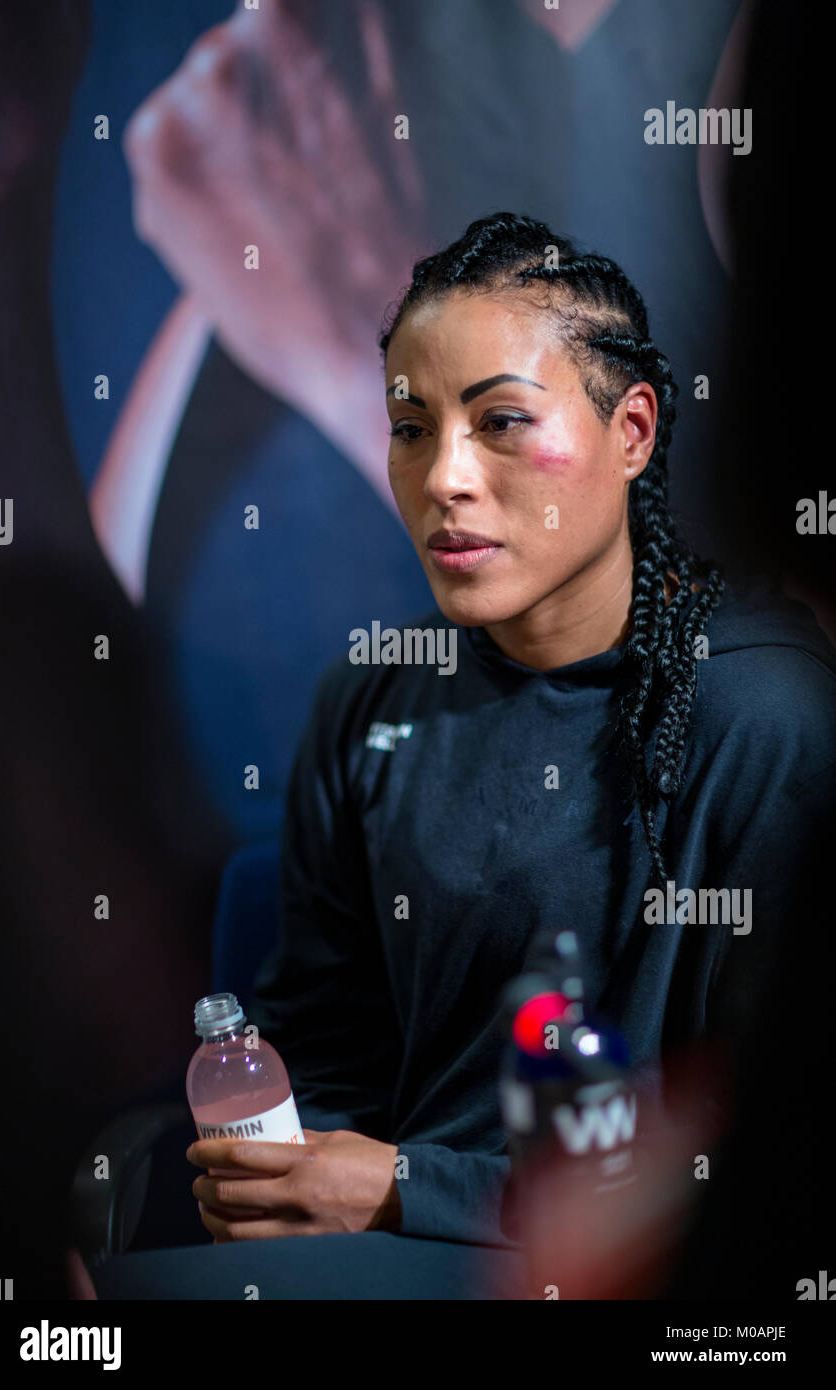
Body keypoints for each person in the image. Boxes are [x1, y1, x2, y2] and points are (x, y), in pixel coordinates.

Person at [184, 211, 836, 1251]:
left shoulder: (763, 717)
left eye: (498, 421)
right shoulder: (370, 698)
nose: (444, 476)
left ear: (632, 431)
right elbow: (324, 1047)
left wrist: (411, 1189)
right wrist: (277, 1175)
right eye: (410, 427)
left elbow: (760, 1153)